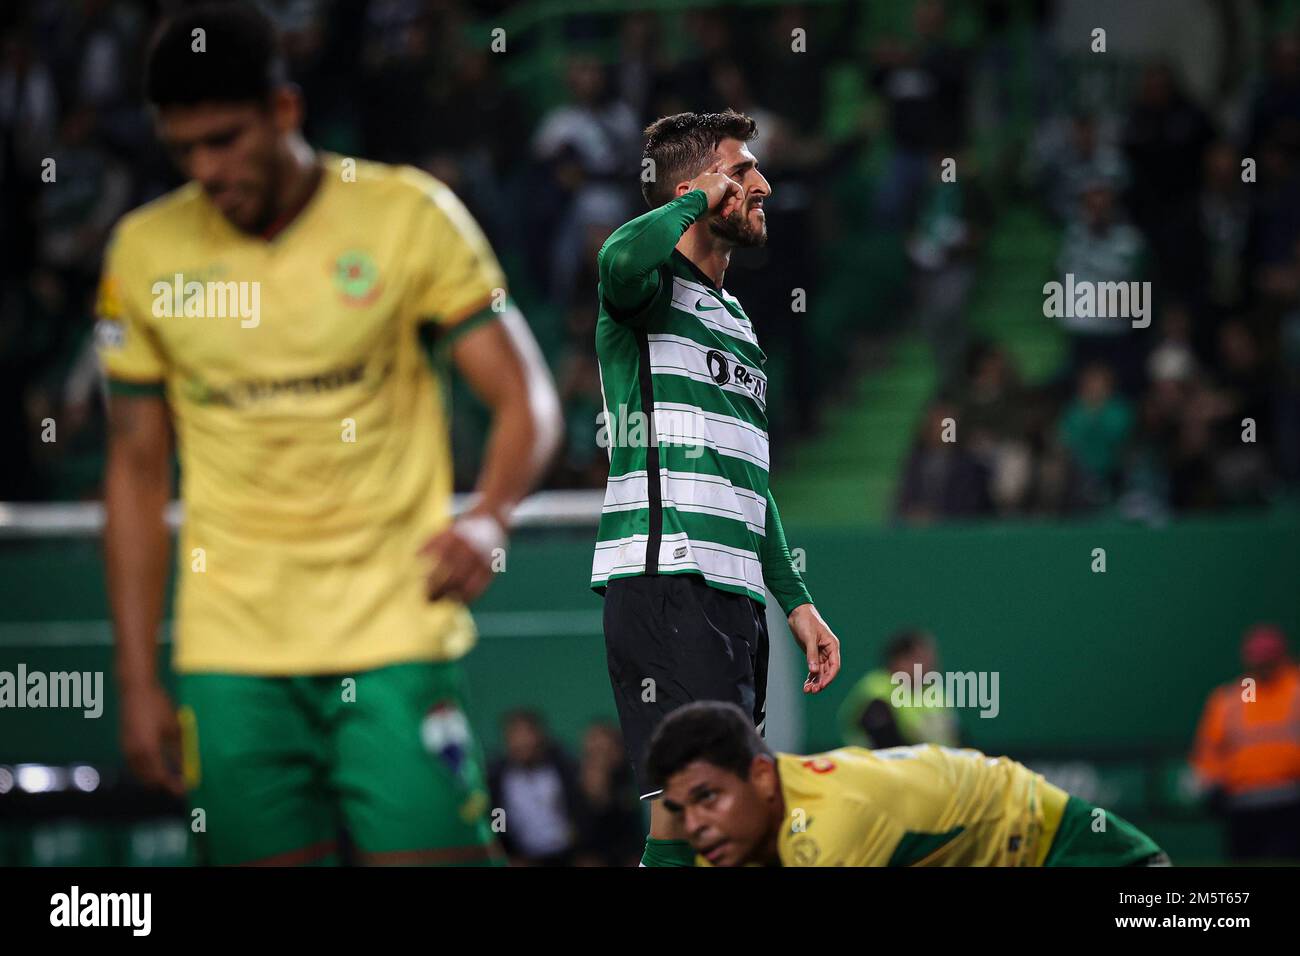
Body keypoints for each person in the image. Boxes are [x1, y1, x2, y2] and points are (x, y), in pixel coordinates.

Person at [97, 3, 561, 866]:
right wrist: (134, 679)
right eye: (185, 149)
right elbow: (133, 471)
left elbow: (525, 395)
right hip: (229, 653)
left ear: (284, 110)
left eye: (227, 140)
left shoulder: (406, 216)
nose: (209, 169)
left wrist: (490, 515)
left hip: (394, 628)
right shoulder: (143, 253)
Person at [589, 109, 842, 866]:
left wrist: (794, 598)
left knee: (682, 815)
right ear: (695, 189)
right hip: (669, 581)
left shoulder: (736, 320)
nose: (761, 185)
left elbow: (749, 480)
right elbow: (614, 256)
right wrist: (696, 199)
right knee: (731, 807)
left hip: (728, 594)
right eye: (743, 172)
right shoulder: (645, 290)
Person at [649, 701, 1167, 867]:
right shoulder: (743, 829)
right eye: (682, 809)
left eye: (708, 798)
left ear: (761, 775)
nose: (695, 826)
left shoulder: (833, 831)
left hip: (1043, 837)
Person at [1191, 624, 1300, 862]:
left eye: (1268, 656)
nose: (1262, 663)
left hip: (1292, 802)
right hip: (1243, 804)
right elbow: (1209, 750)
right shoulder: (1230, 700)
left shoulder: (1296, 690)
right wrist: (1212, 785)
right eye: (1257, 657)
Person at [487, 711, 582, 867]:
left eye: (527, 734)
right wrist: (508, 852)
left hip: (570, 854)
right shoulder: (496, 780)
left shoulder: (565, 768)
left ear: (540, 736)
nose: (522, 742)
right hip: (523, 858)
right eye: (515, 736)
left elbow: (581, 809)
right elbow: (497, 820)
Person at [837, 628, 959, 749]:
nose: (930, 662)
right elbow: (885, 743)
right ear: (900, 660)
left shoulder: (935, 692)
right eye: (921, 657)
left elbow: (955, 737)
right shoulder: (876, 690)